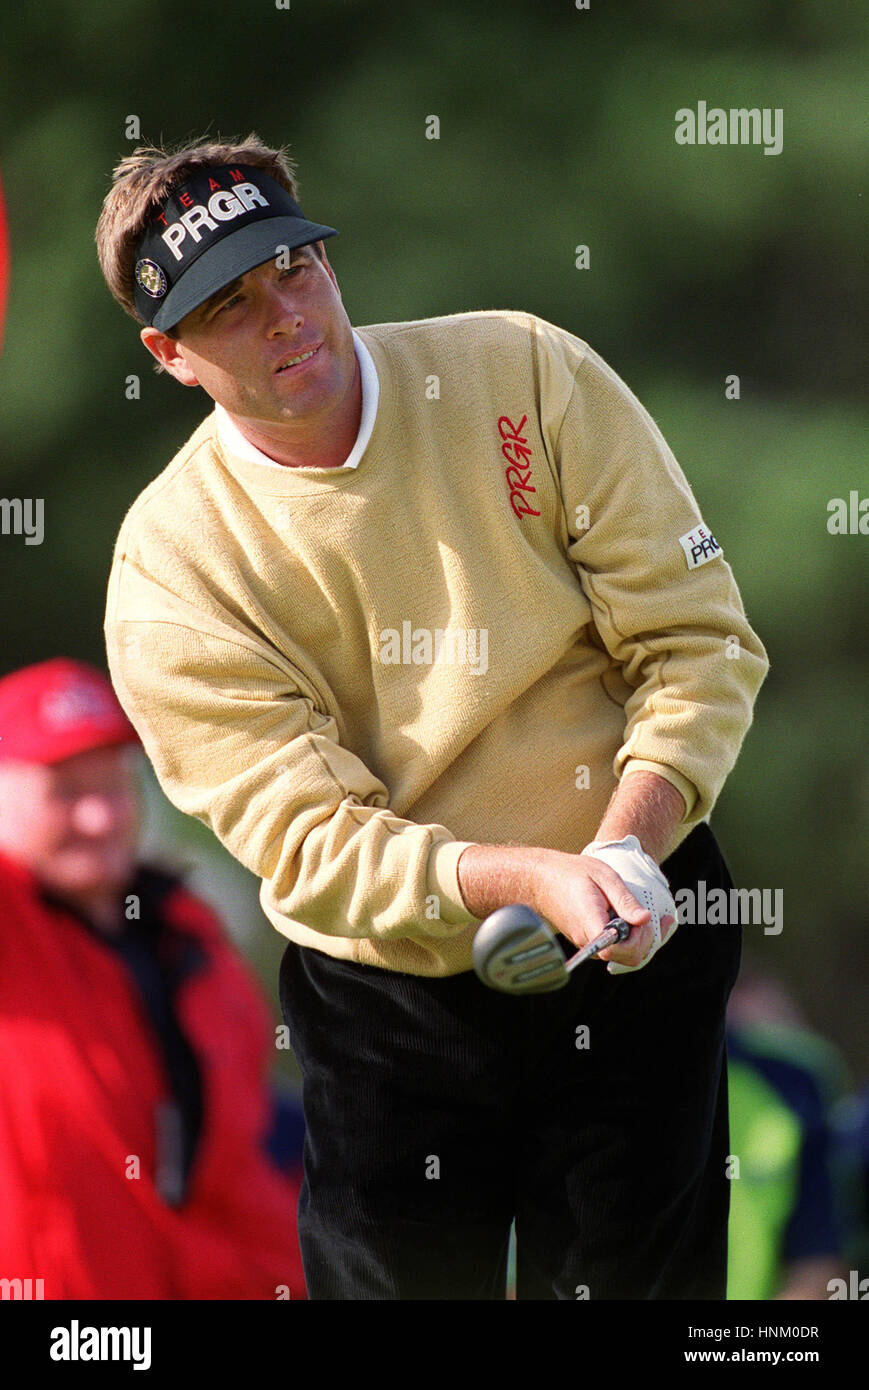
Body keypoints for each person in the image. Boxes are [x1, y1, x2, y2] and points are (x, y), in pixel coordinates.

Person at [97, 134, 770, 1299]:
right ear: (169, 354)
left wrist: (620, 846)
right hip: (389, 1008)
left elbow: (693, 645)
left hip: (636, 924)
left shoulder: (521, 369)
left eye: (293, 268)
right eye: (230, 307)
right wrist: (521, 878)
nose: (285, 315)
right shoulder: (170, 570)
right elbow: (311, 842)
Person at [0, 657, 306, 1300]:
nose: (100, 819)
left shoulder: (186, 929)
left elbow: (238, 1148)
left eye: (113, 786)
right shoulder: (14, 930)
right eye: (65, 793)